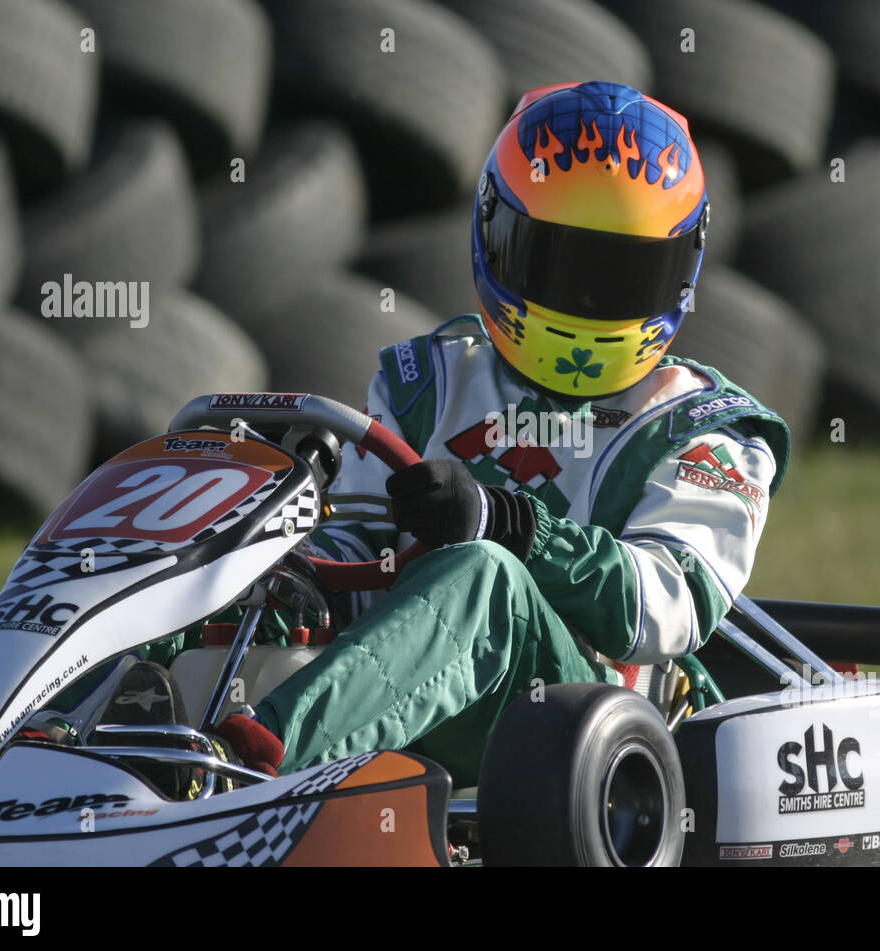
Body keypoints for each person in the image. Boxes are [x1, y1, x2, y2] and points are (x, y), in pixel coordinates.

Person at [215, 81, 790, 786]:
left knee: (486, 575)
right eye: (555, 261)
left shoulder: (705, 431)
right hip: (406, 696)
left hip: (584, 734)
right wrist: (269, 571)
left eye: (618, 276)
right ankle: (69, 737)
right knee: (218, 553)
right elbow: (352, 552)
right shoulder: (431, 382)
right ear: (496, 232)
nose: (583, 300)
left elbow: (666, 606)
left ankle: (242, 773)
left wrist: (510, 525)